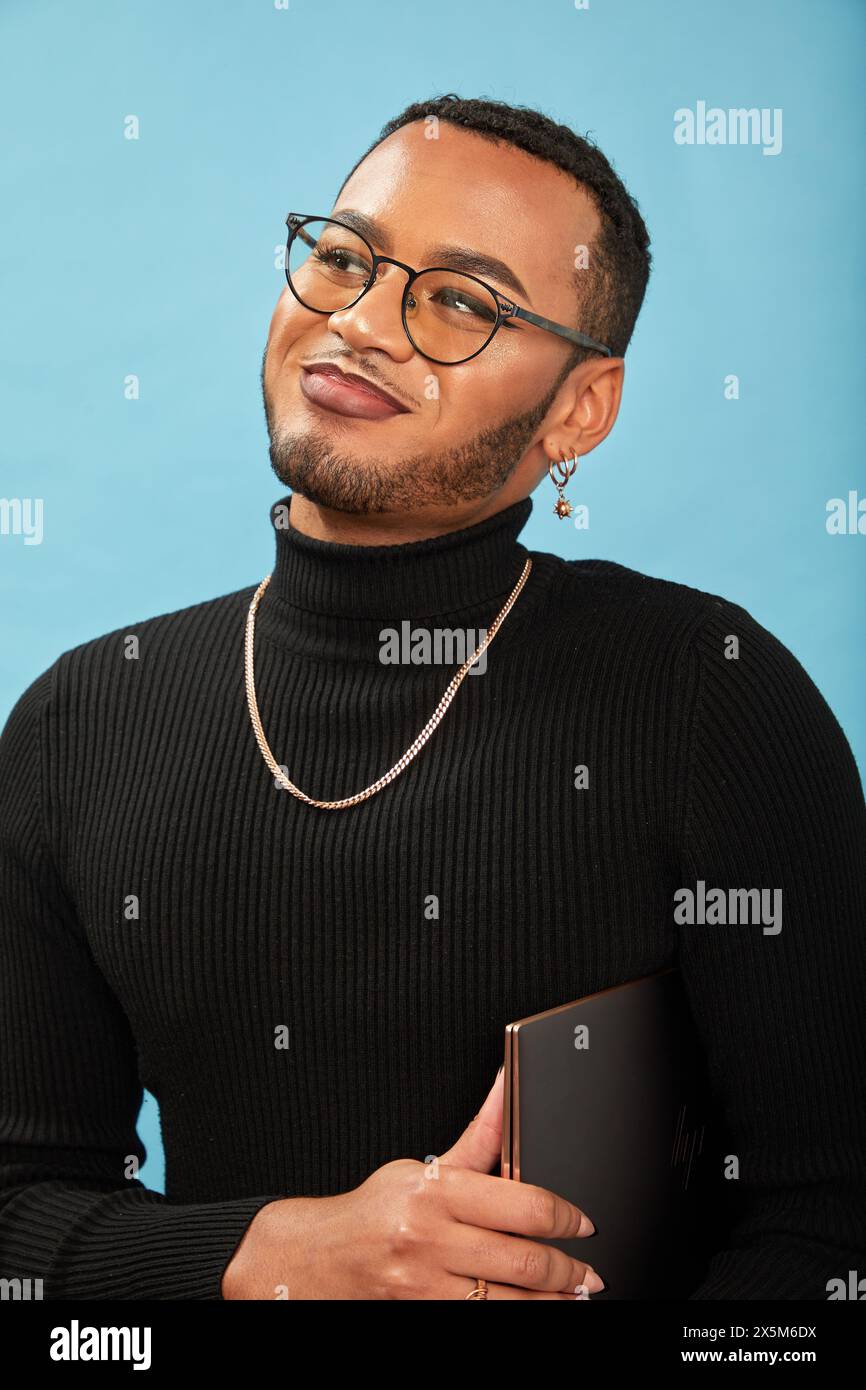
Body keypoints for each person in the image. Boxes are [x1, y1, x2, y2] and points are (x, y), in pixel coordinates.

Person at [1, 94, 864, 1301]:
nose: (360, 322)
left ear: (580, 409)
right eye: (344, 258)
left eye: (461, 300)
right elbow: (16, 1222)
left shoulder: (707, 695)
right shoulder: (77, 723)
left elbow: (831, 1226)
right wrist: (262, 1257)